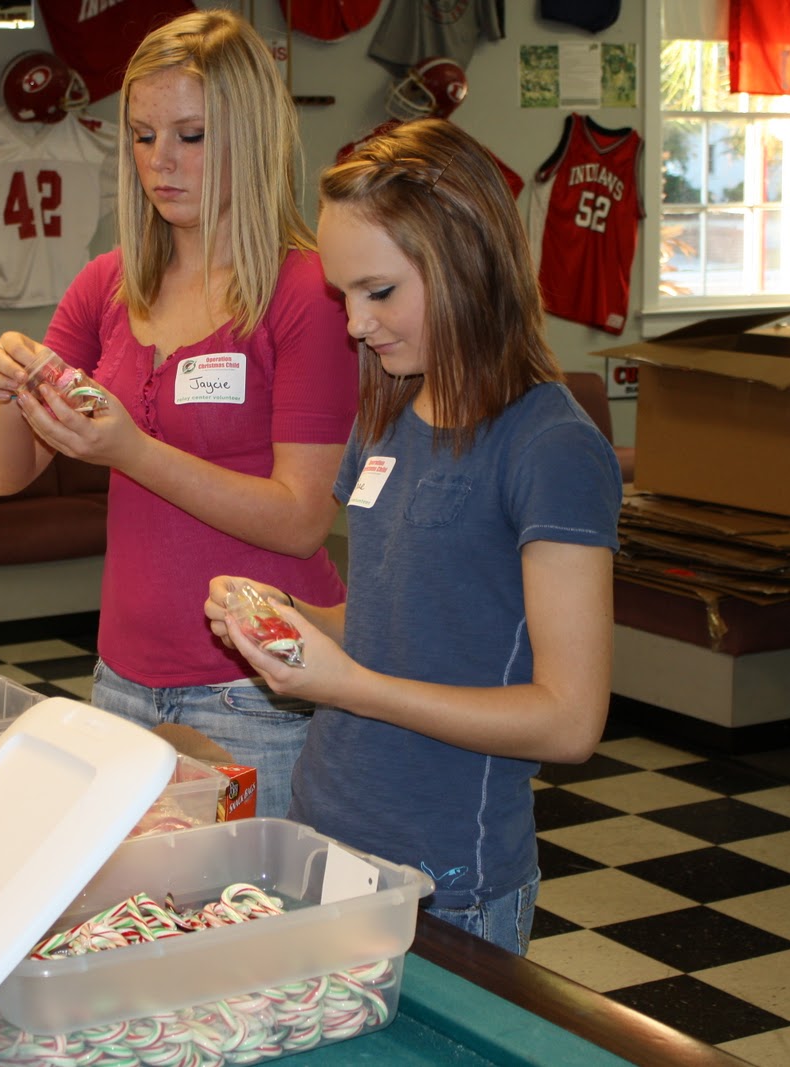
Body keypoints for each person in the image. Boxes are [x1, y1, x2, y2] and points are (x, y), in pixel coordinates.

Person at [205, 118, 622, 953]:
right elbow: (397, 624)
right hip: (328, 838)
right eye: (344, 296)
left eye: (379, 292)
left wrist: (347, 682)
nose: (356, 324)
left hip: (446, 880)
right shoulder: (391, 409)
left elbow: (570, 720)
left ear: (464, 260)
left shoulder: (553, 447)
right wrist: (285, 615)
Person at [0, 9, 358, 819]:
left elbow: (300, 520)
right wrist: (10, 384)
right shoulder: (106, 285)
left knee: (255, 930)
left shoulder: (306, 294)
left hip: (257, 688)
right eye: (144, 136)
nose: (161, 162)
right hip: (122, 679)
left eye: (191, 135)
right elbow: (2, 475)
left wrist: (132, 449)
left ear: (250, 136)